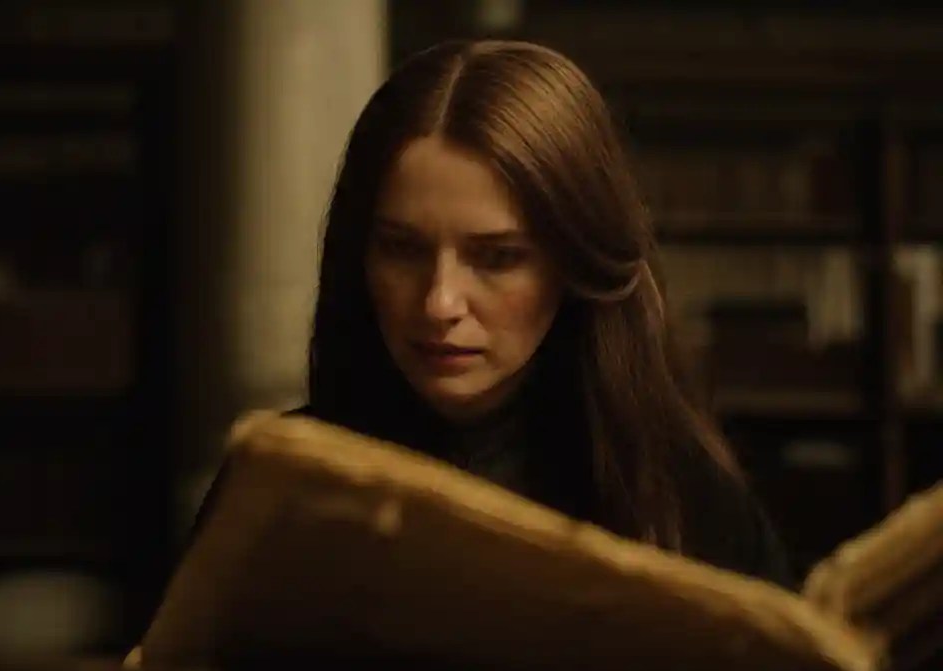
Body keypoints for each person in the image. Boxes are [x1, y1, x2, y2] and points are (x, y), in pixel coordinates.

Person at [192, 39, 794, 589]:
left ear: (573, 260)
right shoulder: (271, 490)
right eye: (402, 249)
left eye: (497, 258)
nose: (439, 303)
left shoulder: (688, 506)